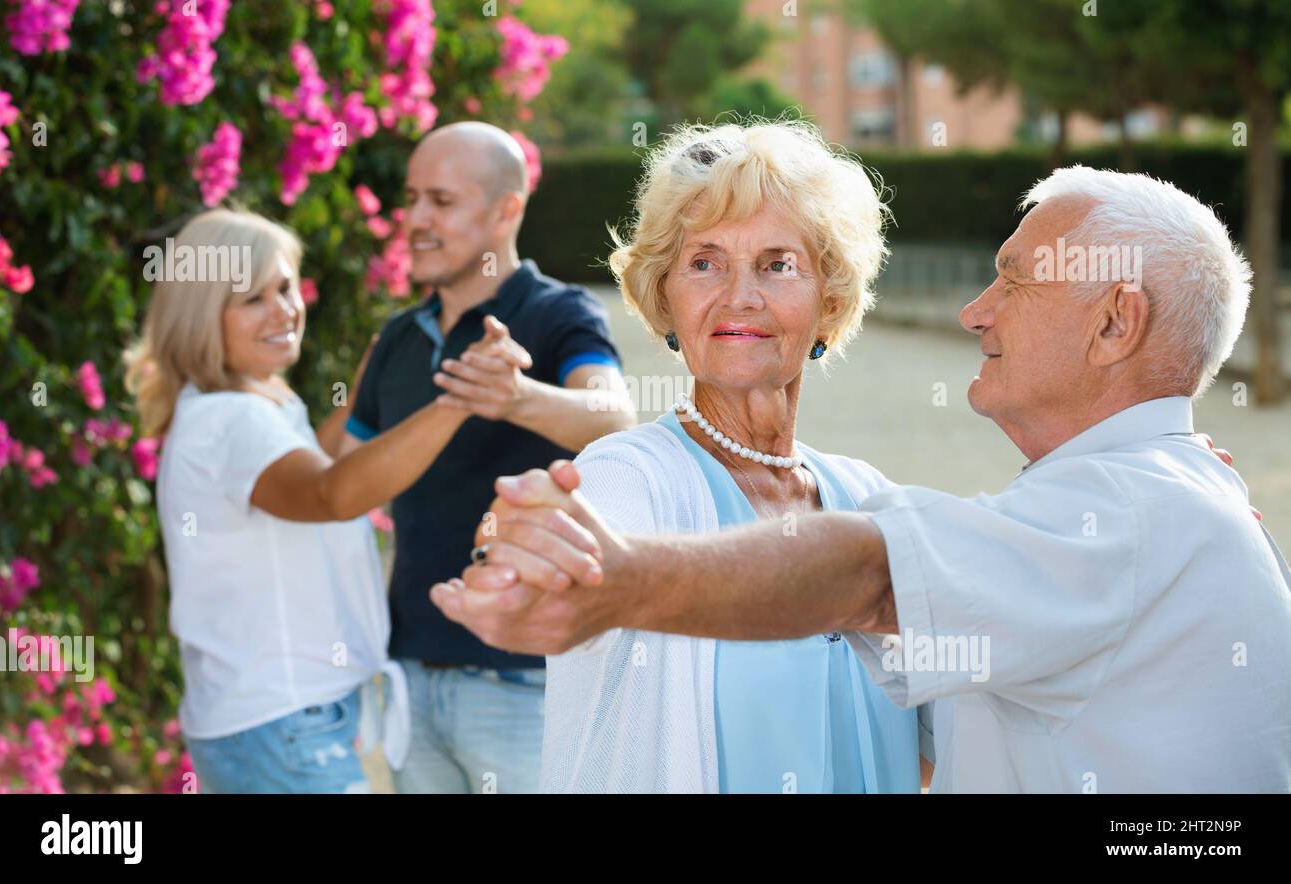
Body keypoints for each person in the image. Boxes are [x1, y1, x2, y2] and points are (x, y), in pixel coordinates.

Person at [435, 166, 1291, 793]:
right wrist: (518, 547)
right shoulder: (628, 474)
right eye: (703, 263)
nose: (975, 309)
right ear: (662, 296)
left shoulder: (886, 499)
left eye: (778, 264)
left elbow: (878, 595)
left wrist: (624, 580)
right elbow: (560, 542)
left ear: (830, 302)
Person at [124, 207, 527, 793]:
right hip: (286, 726)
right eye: (252, 299)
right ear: (202, 318)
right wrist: (461, 399)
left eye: (286, 288)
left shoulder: (250, 403)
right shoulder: (232, 421)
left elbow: (310, 464)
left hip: (270, 721)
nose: (284, 311)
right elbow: (328, 492)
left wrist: (365, 384)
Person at [341, 122, 635, 794]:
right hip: (413, 677)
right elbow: (343, 478)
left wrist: (518, 397)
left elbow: (613, 418)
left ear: (507, 210)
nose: (415, 219)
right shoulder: (396, 336)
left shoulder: (560, 314)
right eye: (411, 199)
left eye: (440, 202)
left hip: (526, 684)